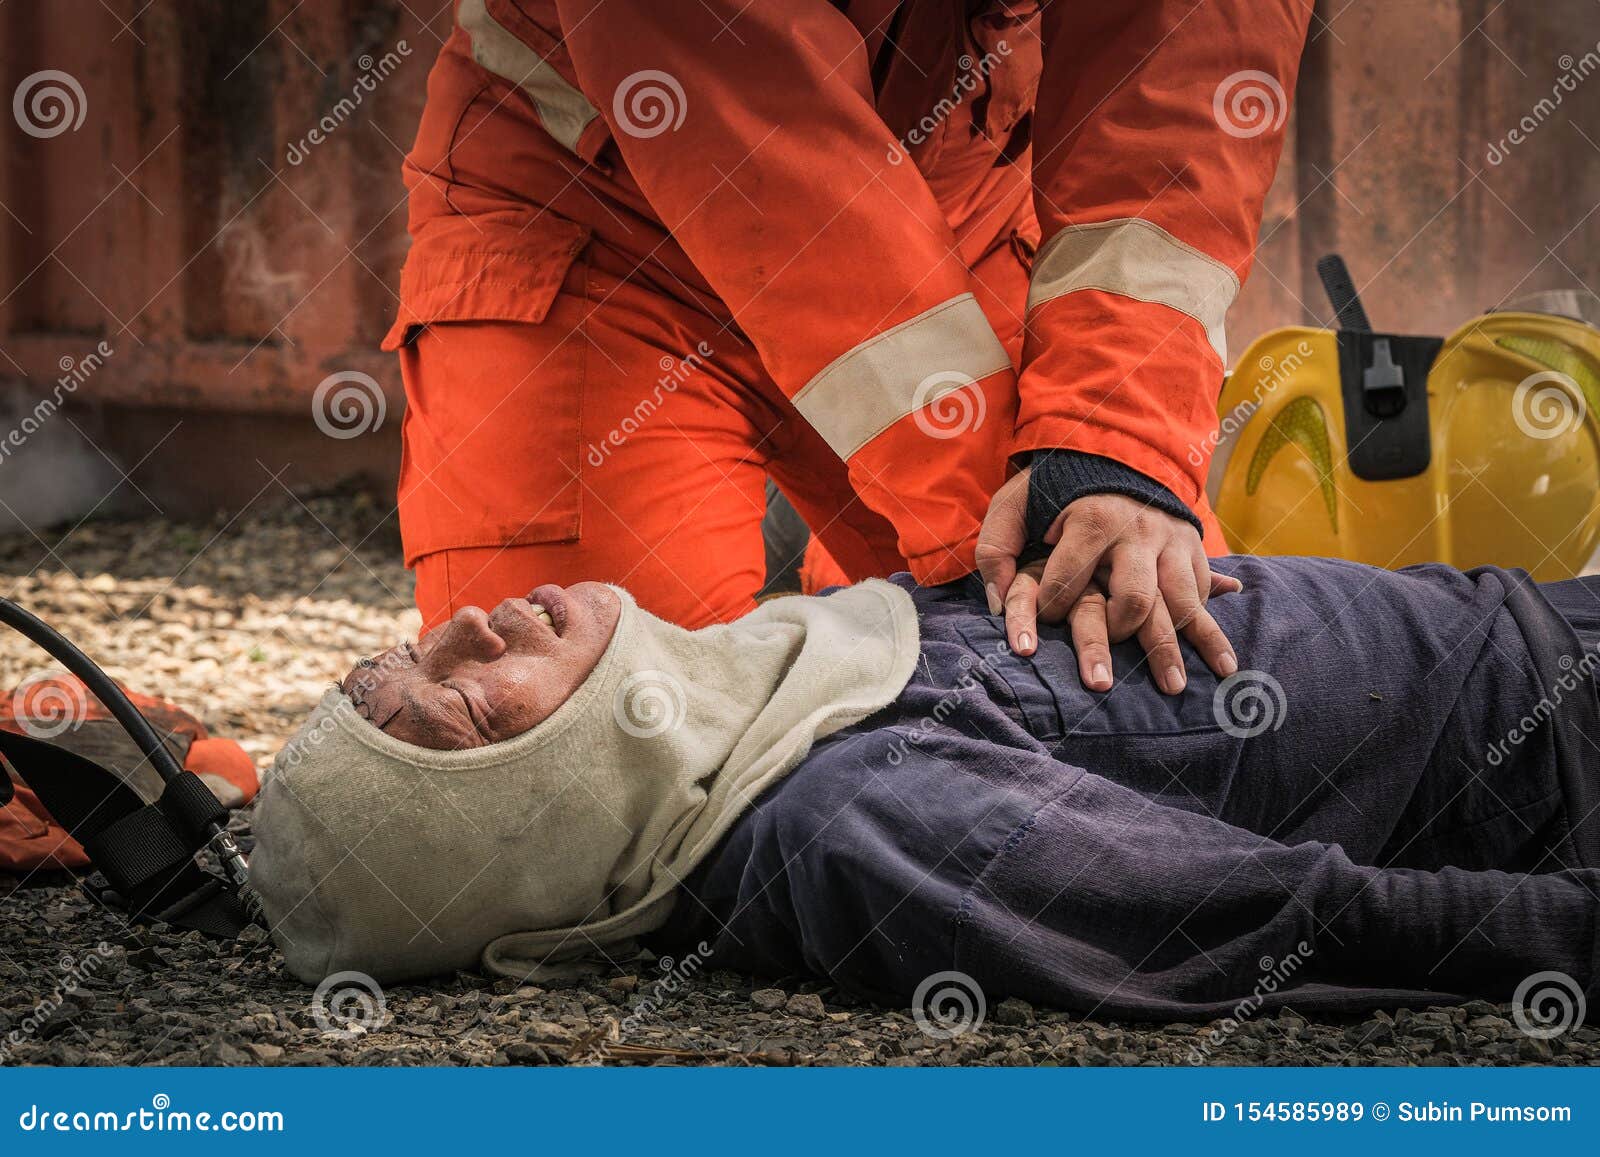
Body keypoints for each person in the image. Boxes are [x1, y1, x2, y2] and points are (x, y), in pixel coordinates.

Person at [382, 0, 1312, 691]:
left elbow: (1179, 77)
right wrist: (1018, 546)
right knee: (591, 762)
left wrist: (1109, 446)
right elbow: (775, 165)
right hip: (599, 232)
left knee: (1155, 663)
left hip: (956, 222)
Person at [251, 555, 1600, 1019]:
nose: (468, 627)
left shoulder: (763, 710)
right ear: (541, 823)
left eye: (415, 647)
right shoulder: (851, 821)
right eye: (473, 706)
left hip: (1536, 625)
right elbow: (1277, 921)